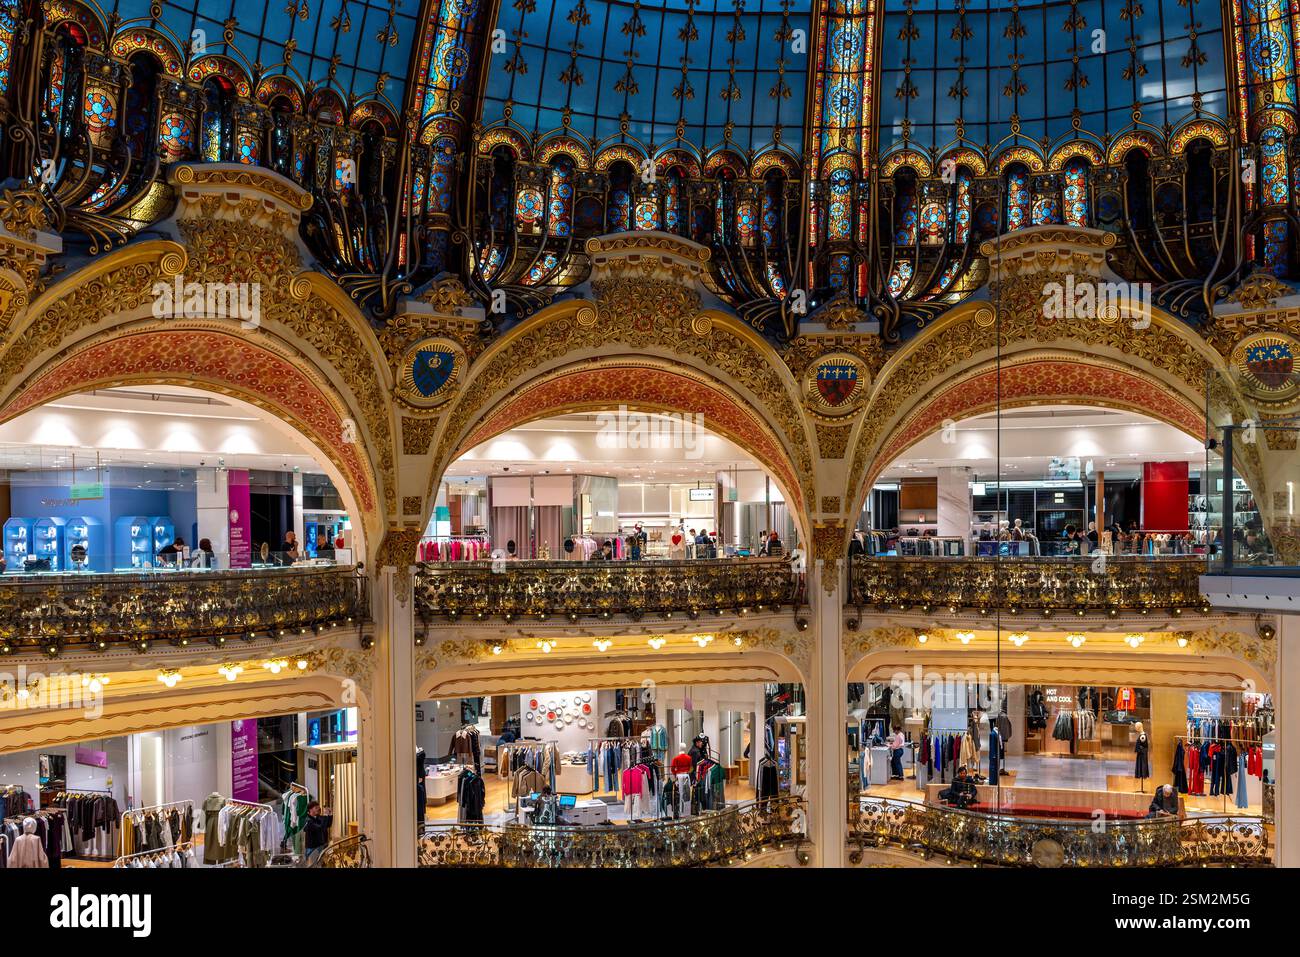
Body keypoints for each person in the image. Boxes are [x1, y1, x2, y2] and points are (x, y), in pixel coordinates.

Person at [302, 800, 333, 865]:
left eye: (318, 807)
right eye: (316, 808)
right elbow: (320, 828)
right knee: (313, 865)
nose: (318, 809)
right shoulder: (308, 820)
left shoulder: (318, 817)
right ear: (310, 810)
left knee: (321, 864)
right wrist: (325, 815)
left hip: (321, 845)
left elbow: (328, 824)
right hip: (312, 848)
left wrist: (330, 814)